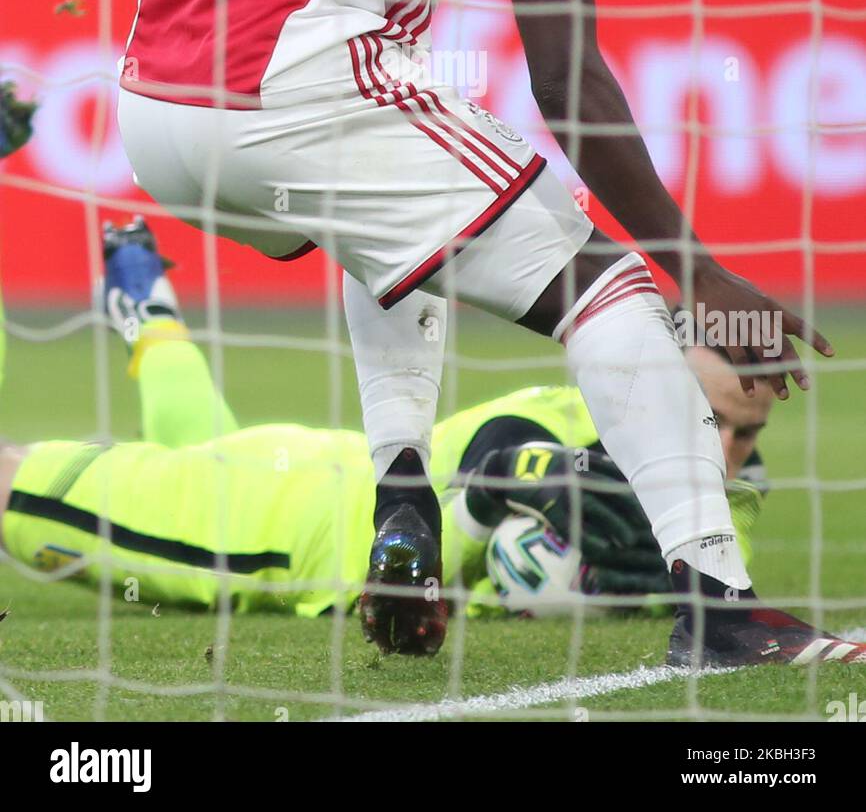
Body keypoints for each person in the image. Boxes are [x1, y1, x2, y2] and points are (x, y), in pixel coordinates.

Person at [110, 0, 850, 667]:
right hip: (294, 79)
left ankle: (401, 495)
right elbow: (564, 77)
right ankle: (716, 602)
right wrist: (691, 266)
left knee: (400, 216)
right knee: (603, 279)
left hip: (149, 95)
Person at [1, 221, 771, 630]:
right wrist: (509, 485)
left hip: (313, 468)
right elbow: (492, 450)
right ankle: (146, 304)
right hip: (283, 533)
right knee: (16, 484)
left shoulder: (723, 504)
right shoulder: (581, 409)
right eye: (714, 421)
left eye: (745, 435)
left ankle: (146, 301)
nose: (728, 454)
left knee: (203, 449)